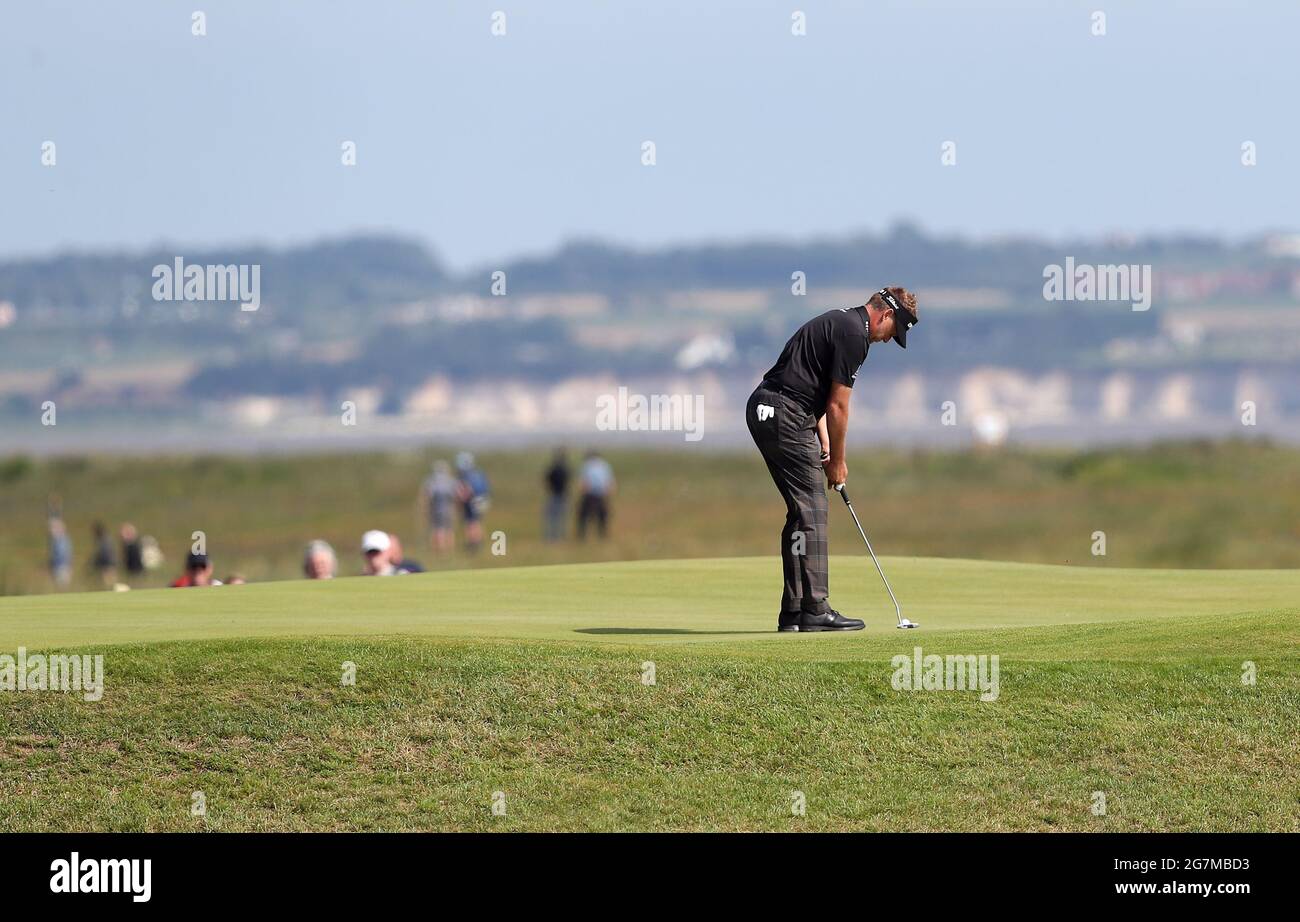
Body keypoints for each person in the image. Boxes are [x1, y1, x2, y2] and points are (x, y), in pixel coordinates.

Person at [746, 286, 918, 633]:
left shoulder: (838, 322)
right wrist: (838, 461)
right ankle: (816, 609)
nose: (888, 340)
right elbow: (839, 406)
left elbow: (814, 390)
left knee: (800, 511)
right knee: (813, 508)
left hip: (767, 408)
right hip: (785, 414)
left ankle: (794, 611)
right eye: (893, 331)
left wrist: (823, 441)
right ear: (885, 314)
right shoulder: (856, 335)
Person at [454, 452, 490, 553]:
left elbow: (467, 491)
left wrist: (461, 500)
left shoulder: (466, 476)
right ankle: (479, 542)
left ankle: (473, 543)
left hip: (472, 501)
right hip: (482, 500)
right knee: (477, 521)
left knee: (471, 523)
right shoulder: (479, 473)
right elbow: (486, 487)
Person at [576, 450, 615, 540]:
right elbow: (610, 482)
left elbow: (583, 482)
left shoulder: (587, 465)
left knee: (583, 516)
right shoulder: (604, 465)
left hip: (590, 494)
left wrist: (583, 492)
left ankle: (582, 536)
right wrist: (608, 492)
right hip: (602, 494)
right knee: (602, 516)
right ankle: (602, 535)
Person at [421, 461, 457, 554]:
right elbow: (455, 494)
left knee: (437, 529)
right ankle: (450, 549)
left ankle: (440, 550)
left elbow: (428, 495)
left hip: (436, 508)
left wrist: (425, 507)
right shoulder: (450, 480)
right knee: (449, 529)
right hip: (449, 508)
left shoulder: (432, 480)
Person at [543, 448, 570, 542]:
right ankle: (561, 536)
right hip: (563, 495)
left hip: (553, 494)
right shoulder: (566, 469)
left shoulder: (553, 469)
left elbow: (546, 479)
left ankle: (551, 537)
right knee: (563, 517)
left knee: (551, 517)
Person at [47, 516, 72, 588]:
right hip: (58, 568)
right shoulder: (56, 541)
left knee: (62, 589)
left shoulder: (62, 540)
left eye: (53, 528)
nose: (51, 530)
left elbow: (63, 556)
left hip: (62, 569)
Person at [91, 521, 116, 588]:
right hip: (108, 563)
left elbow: (105, 553)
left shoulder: (104, 540)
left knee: (109, 582)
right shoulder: (105, 539)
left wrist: (98, 563)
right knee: (108, 582)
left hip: (108, 564)